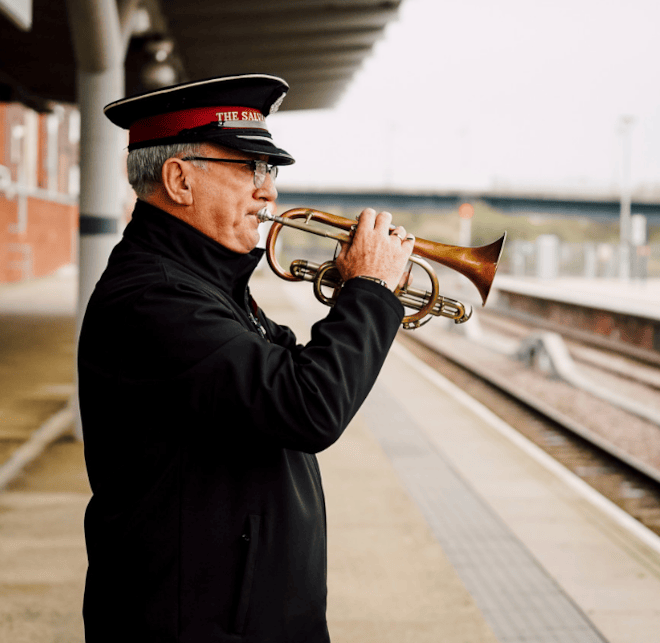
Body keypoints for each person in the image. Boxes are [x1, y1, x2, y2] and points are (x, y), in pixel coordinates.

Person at [78, 73, 415, 642]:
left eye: (271, 171)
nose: (270, 192)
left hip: (235, 614)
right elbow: (310, 407)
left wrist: (361, 294)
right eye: (250, 168)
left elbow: (291, 375)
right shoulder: (155, 299)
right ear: (179, 179)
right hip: (196, 623)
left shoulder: (208, 285)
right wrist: (370, 292)